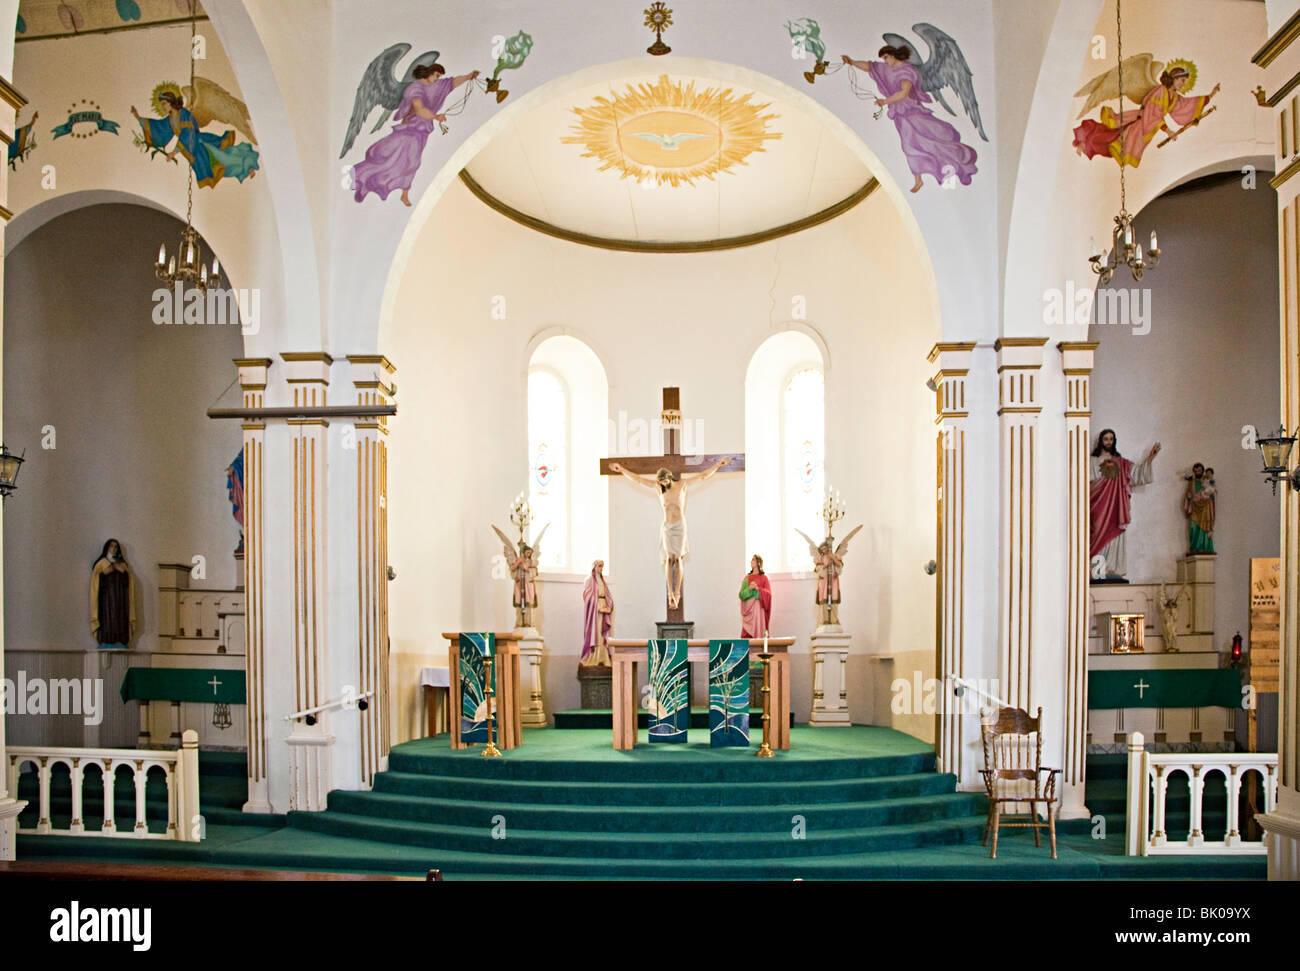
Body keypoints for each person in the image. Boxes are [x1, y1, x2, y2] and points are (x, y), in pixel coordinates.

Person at [840, 45, 977, 192]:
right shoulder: (887, 69)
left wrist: (884, 101)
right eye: (883, 59)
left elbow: (904, 93)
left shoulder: (906, 71)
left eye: (886, 57)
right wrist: (852, 62)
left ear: (893, 55)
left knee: (925, 142)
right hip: (900, 115)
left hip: (912, 112)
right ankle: (918, 179)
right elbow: (869, 66)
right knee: (911, 146)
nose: (884, 61)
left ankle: (953, 161)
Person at [609, 458, 730, 609]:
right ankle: (670, 594)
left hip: (679, 526)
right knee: (668, 559)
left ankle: (677, 592)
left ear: (669, 477)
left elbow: (702, 476)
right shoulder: (658, 488)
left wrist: (717, 465)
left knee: (677, 558)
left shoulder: (682, 485)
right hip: (667, 527)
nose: (663, 484)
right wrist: (622, 470)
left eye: (665, 481)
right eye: (661, 482)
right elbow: (638, 480)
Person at [351, 63, 479, 205]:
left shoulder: (436, 85)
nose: (438, 79)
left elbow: (452, 82)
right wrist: (435, 117)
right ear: (429, 73)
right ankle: (360, 177)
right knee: (388, 157)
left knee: (410, 162)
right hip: (409, 130)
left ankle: (403, 192)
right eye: (436, 75)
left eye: (439, 76)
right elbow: (419, 109)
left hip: (421, 132)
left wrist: (468, 77)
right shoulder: (415, 89)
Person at [1074, 67, 1219, 167]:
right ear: (1173, 79)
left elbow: (1187, 106)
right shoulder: (1160, 91)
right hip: (1141, 123)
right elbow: (1153, 113)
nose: (1182, 84)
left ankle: (1085, 145)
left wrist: (1210, 96)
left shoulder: (1174, 97)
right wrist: (1168, 130)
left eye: (1184, 82)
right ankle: (1083, 143)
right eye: (1181, 80)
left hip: (1148, 129)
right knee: (1110, 138)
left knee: (1112, 142)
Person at [131, 92, 258, 187]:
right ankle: (243, 171)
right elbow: (157, 127)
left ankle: (248, 166)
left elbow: (187, 133)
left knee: (222, 156)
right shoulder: (169, 120)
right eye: (162, 104)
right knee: (218, 169)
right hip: (192, 151)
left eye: (164, 103)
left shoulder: (184, 113)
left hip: (200, 143)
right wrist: (137, 117)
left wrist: (174, 151)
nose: (163, 106)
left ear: (171, 102)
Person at [1090, 429, 1160, 579]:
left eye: (1111, 439)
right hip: (1098, 505)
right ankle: (1097, 572)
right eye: (1106, 439)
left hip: (1116, 507)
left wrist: (1150, 459)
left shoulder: (1121, 463)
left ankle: (1112, 569)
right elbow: (1084, 481)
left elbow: (1137, 474)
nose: (1108, 441)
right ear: (1101, 441)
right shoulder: (1092, 461)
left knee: (1115, 535)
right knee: (1097, 532)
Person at [90, 539, 135, 649]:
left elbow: (128, 583)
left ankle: (120, 639)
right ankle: (106, 639)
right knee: (108, 619)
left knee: (119, 619)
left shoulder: (122, 564)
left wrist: (123, 572)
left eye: (116, 547)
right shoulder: (101, 564)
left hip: (120, 599)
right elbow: (95, 583)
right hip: (106, 600)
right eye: (111, 546)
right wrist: (103, 575)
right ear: (107, 548)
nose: (113, 549)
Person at [581, 559, 614, 667]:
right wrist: (597, 605)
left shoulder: (602, 581)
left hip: (603, 606)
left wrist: (609, 606)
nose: (601, 569)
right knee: (595, 632)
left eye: (602, 566)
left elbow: (607, 594)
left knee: (602, 632)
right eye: (599, 566)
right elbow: (587, 595)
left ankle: (603, 657)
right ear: (594, 567)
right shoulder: (589, 580)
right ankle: (594, 658)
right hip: (595, 610)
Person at [1183, 462, 1216, 554]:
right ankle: (1194, 547)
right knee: (1193, 528)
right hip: (1194, 508)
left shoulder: (1206, 482)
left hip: (1205, 508)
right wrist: (1188, 497)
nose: (1198, 472)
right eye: (1196, 470)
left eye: (1200, 470)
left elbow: (1213, 493)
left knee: (1205, 528)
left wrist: (1210, 496)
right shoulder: (1191, 483)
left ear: (1202, 471)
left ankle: (1205, 547)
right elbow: (1188, 495)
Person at [739, 554, 771, 639]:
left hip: (759, 611)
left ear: (758, 563)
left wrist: (757, 589)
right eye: (751, 560)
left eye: (754, 560)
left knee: (759, 634)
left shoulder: (764, 578)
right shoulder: (747, 578)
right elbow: (741, 595)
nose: (752, 562)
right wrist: (749, 589)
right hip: (749, 611)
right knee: (746, 636)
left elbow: (768, 595)